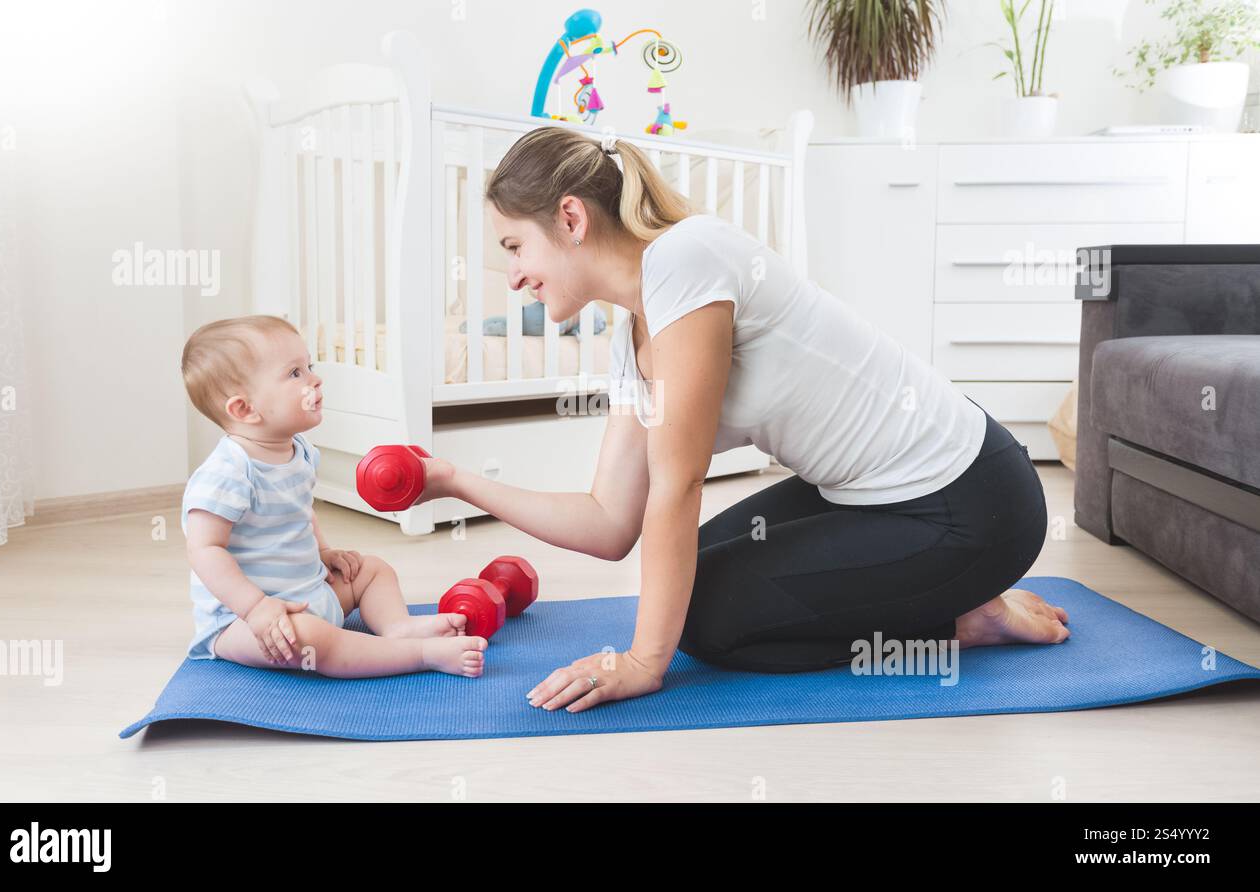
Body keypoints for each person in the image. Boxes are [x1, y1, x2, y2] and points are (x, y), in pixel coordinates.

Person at [407, 126, 1070, 713]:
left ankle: (959, 621)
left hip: (971, 502)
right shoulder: (631, 338)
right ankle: (942, 600)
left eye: (515, 246)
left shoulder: (684, 259)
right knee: (695, 582)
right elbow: (610, 523)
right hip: (874, 499)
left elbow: (678, 484)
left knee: (702, 623)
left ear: (571, 218)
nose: (515, 276)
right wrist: (457, 481)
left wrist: (643, 662)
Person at [179, 314, 487, 678]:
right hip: (243, 622)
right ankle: (417, 654)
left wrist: (324, 553)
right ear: (245, 409)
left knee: (372, 570)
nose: (314, 378)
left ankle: (397, 628)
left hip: (309, 590)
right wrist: (256, 607)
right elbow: (205, 550)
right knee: (309, 640)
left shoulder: (300, 451)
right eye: (295, 373)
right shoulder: (227, 472)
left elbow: (301, 513)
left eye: (308, 366)